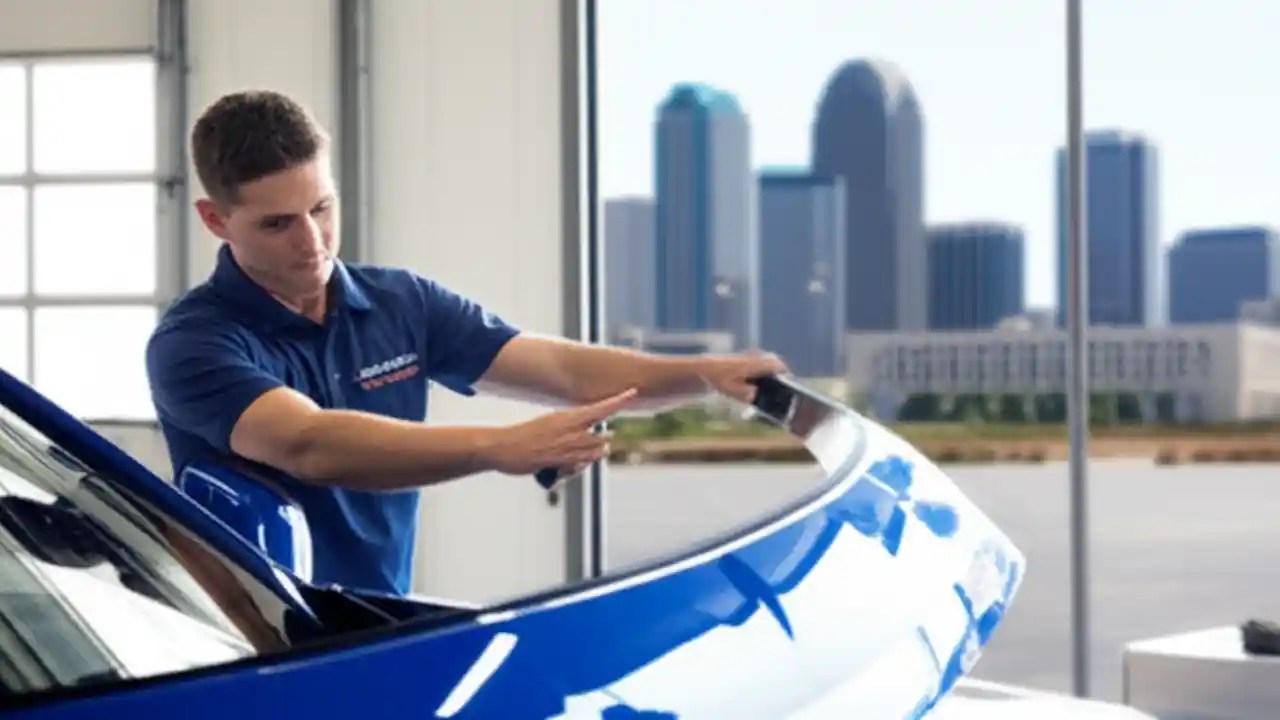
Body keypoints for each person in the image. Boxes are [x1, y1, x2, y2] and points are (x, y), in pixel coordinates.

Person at [145, 89, 787, 597]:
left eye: (322, 208)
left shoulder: (402, 302)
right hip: (245, 647)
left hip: (378, 619)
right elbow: (308, 444)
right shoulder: (192, 344)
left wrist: (703, 374)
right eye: (278, 223)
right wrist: (498, 447)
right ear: (215, 220)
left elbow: (562, 369)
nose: (312, 241)